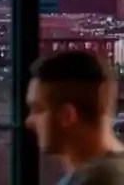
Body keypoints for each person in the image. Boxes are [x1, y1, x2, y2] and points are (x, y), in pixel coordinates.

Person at [26, 50, 124, 185]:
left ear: (67, 115)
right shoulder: (111, 171)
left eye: (38, 110)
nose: (29, 121)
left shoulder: (95, 180)